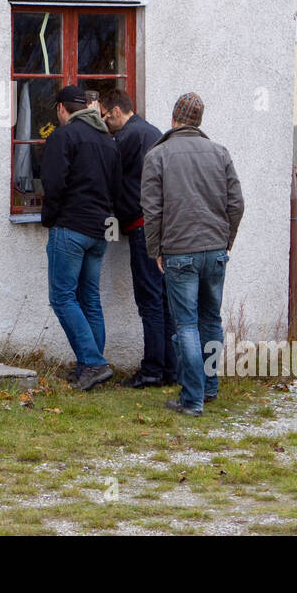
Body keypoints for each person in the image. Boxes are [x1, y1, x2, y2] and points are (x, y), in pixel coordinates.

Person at [141, 93, 244, 416]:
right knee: (211, 321)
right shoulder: (220, 153)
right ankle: (209, 388)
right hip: (214, 250)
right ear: (199, 121)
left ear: (174, 118)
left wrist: (154, 248)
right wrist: (226, 240)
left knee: (185, 325)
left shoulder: (158, 155)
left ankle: (192, 398)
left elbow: (152, 209)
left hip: (179, 252)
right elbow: (236, 204)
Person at [40, 85, 123, 391]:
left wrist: (50, 219)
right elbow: (116, 189)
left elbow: (53, 183)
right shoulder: (106, 139)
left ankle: (93, 362)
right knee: (89, 299)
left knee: (62, 297)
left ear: (62, 109)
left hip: (71, 227)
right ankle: (89, 365)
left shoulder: (64, 136)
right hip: (99, 230)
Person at [100, 89, 172, 388]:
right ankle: (171, 367)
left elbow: (112, 179)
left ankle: (153, 369)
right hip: (164, 227)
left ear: (117, 111)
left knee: (150, 301)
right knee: (165, 301)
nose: (104, 123)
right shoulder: (153, 132)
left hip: (143, 227)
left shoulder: (127, 137)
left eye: (105, 117)